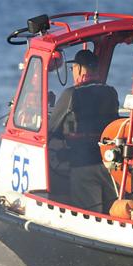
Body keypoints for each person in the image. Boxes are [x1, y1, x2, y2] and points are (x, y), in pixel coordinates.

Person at [48, 48, 120, 212]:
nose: (73, 72)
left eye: (73, 68)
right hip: (109, 164)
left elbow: (52, 129)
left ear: (79, 69)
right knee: (113, 211)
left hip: (83, 165)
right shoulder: (111, 92)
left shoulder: (71, 94)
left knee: (89, 213)